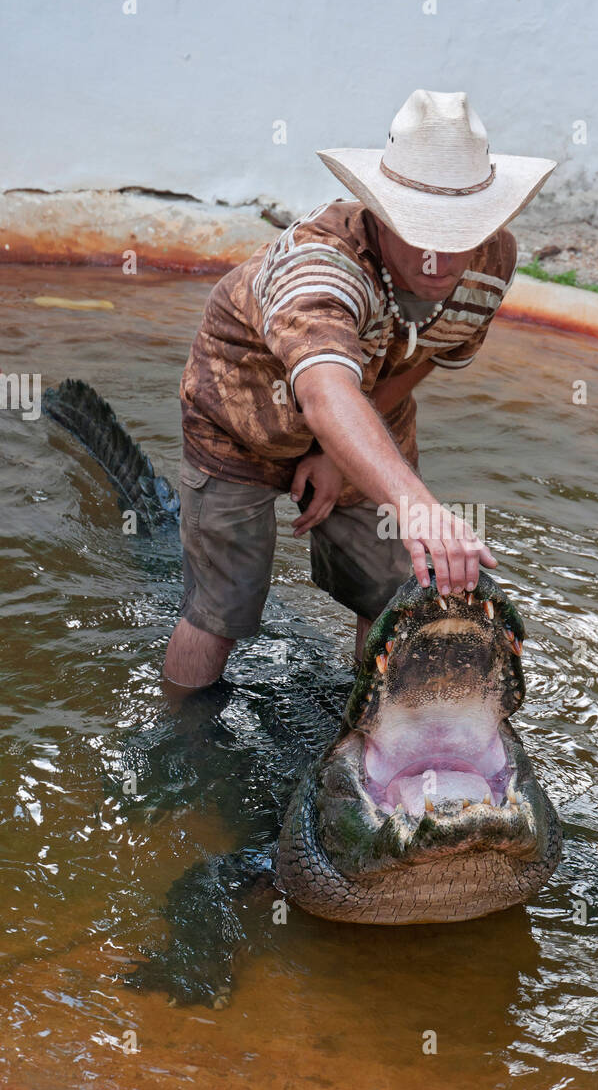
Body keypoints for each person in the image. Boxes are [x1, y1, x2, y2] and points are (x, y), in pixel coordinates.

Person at [163, 89, 556, 691]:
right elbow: (324, 392)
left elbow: (431, 352)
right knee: (221, 609)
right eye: (419, 230)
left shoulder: (493, 259)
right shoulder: (321, 262)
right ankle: (179, 734)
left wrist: (336, 457)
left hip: (368, 417)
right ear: (379, 210)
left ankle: (368, 736)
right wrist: (418, 506)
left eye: (459, 234)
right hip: (240, 421)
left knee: (392, 589)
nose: (437, 259)